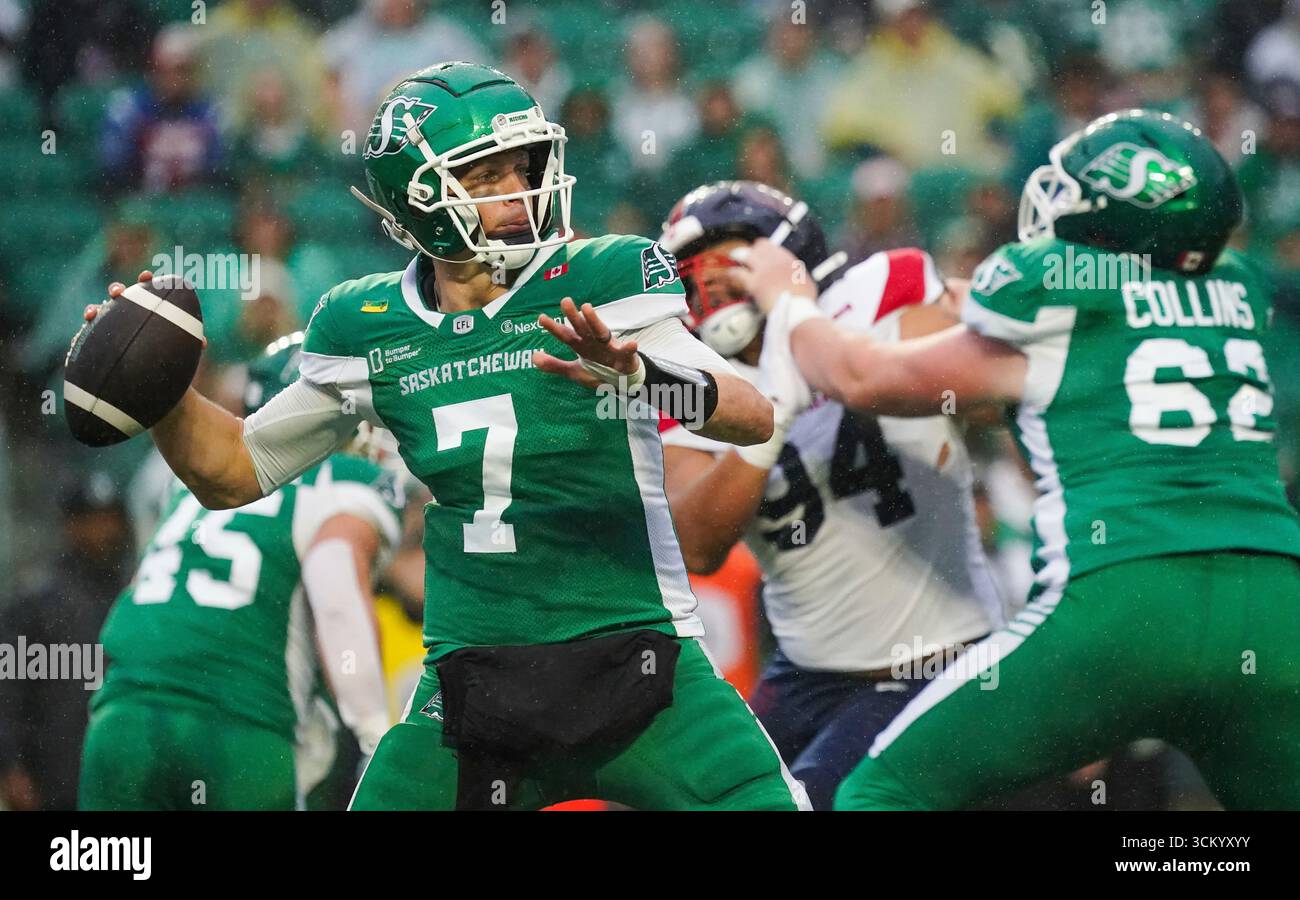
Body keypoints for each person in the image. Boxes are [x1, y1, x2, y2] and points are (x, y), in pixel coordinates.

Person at [81, 62, 804, 811]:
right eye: (488, 174)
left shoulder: (600, 274)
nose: (520, 187)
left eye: (522, 165)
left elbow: (749, 414)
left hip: (640, 666)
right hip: (473, 696)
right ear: (421, 199)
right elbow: (234, 469)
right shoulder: (367, 327)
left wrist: (642, 375)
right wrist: (160, 390)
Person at [730, 109, 1300, 810]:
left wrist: (789, 304)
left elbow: (859, 376)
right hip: (1276, 605)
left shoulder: (1057, 286)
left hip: (1123, 603)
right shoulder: (1237, 285)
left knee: (873, 791)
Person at [656, 181, 1005, 808]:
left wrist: (805, 338)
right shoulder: (693, 382)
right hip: (804, 674)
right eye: (689, 277)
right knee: (698, 794)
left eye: (726, 261)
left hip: (938, 657)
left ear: (787, 247)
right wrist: (771, 420)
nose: (706, 290)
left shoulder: (878, 289)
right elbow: (696, 544)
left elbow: (975, 393)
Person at [78, 333, 404, 810]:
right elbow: (334, 581)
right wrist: (378, 735)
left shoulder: (195, 478)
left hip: (123, 716)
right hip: (239, 723)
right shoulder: (343, 480)